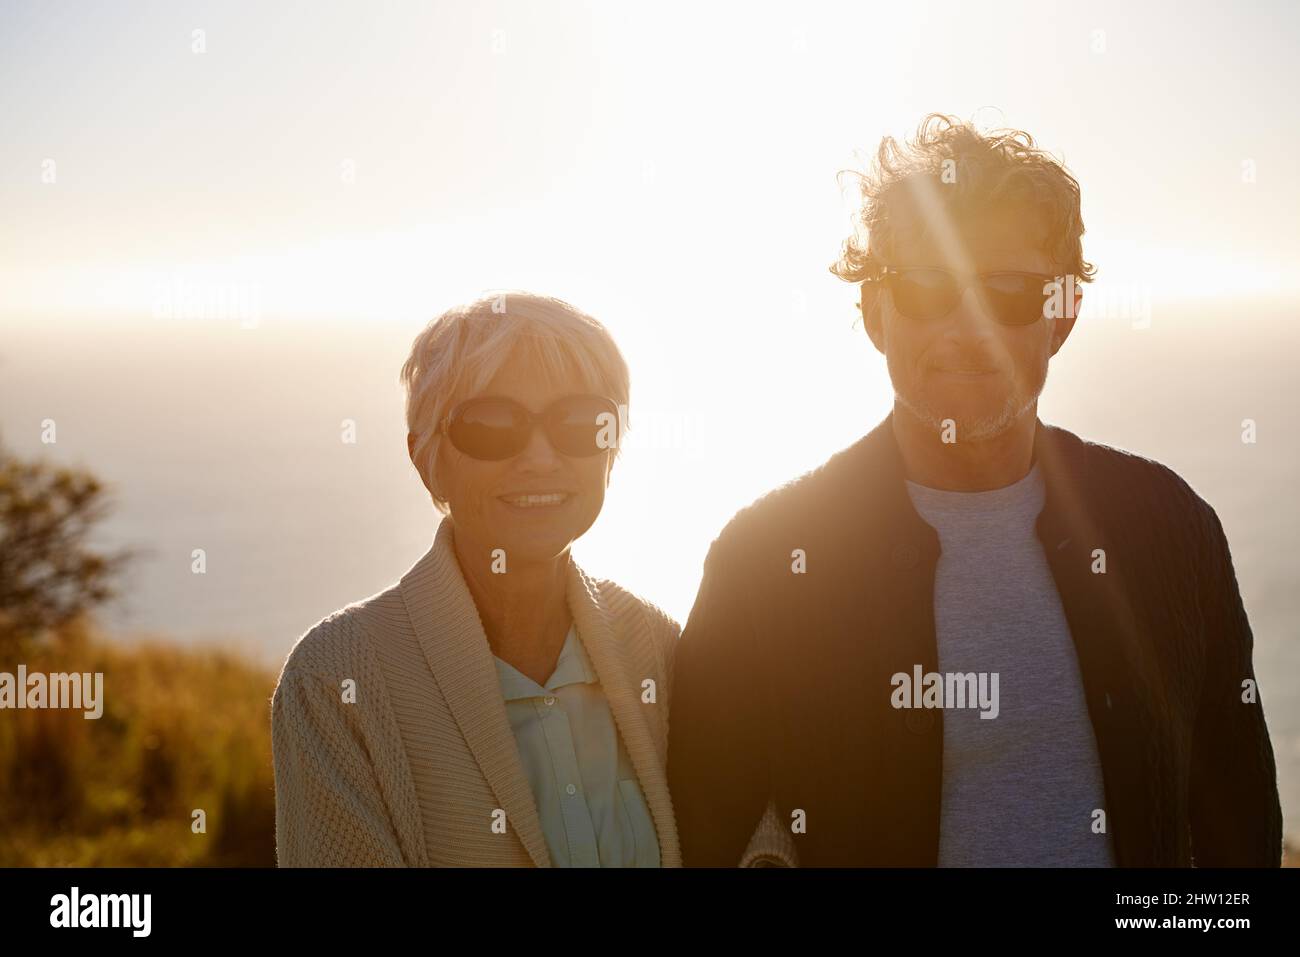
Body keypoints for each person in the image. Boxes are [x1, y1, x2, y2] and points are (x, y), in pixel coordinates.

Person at [666, 114, 1283, 867]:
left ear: (1062, 315)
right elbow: (704, 834)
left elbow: (1238, 820)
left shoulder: (1170, 528)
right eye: (925, 288)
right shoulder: (765, 559)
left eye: (1012, 293)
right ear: (874, 313)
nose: (968, 327)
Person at [271, 291, 679, 866]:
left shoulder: (660, 649)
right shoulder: (336, 682)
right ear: (425, 458)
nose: (541, 457)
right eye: (491, 425)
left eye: (581, 422)